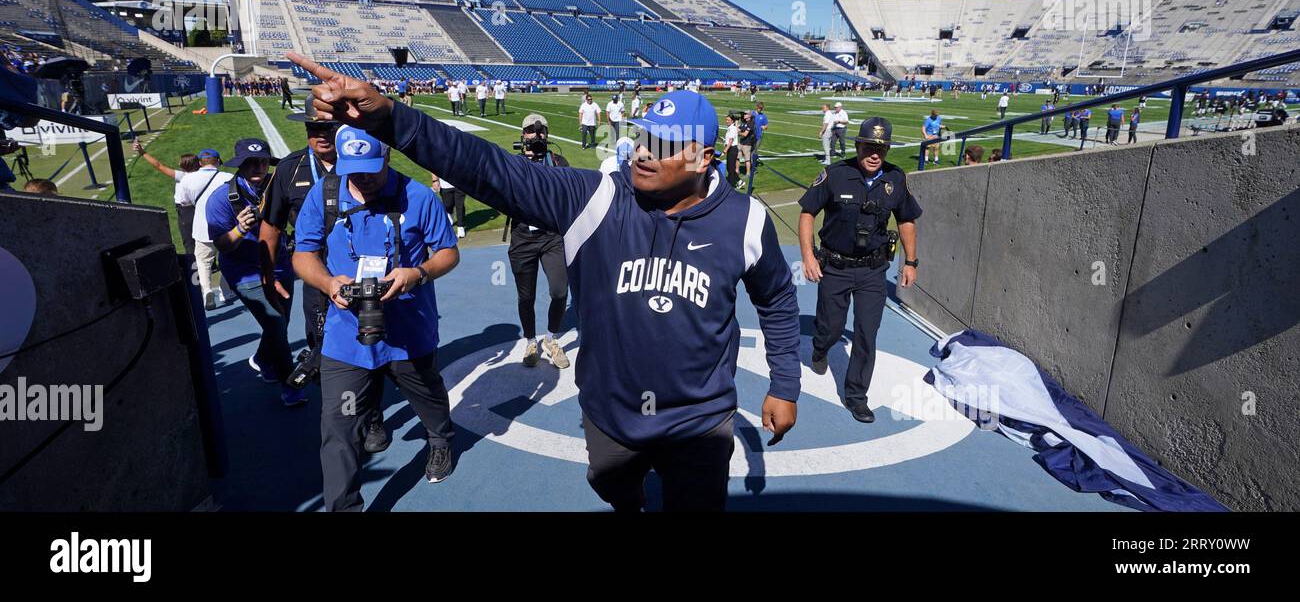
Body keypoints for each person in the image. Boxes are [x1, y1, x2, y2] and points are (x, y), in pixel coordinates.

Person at [288, 53, 800, 513]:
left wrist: (784, 384)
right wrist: (392, 119)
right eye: (642, 137)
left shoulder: (746, 219)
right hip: (611, 410)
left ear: (704, 158)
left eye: (664, 145)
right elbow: (493, 171)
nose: (644, 153)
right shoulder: (595, 197)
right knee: (614, 489)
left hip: (699, 419)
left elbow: (776, 297)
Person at [291, 126, 460, 509]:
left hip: (408, 330)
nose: (363, 178)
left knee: (428, 397)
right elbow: (303, 254)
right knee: (338, 426)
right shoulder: (325, 194)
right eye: (354, 169)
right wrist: (329, 283)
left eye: (371, 168)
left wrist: (417, 273)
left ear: (388, 157)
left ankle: (440, 438)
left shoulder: (418, 196)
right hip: (346, 336)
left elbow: (448, 252)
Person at [798, 117, 920, 423]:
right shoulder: (835, 175)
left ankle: (856, 396)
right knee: (831, 327)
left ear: (888, 149)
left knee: (867, 334)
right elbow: (808, 213)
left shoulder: (896, 179)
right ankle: (820, 347)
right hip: (835, 267)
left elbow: (906, 220)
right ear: (857, 145)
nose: (874, 153)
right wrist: (808, 257)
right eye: (868, 146)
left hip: (873, 271)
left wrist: (910, 261)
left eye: (881, 147)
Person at [206, 138, 304, 406]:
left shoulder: (279, 186)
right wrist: (239, 230)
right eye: (251, 162)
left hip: (280, 265)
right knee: (275, 322)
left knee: (278, 323)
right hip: (244, 270)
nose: (259, 167)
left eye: (263, 161)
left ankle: (262, 360)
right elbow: (222, 246)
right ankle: (290, 385)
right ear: (240, 165)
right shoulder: (220, 199)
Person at [505, 113, 573, 369]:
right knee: (526, 297)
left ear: (547, 134)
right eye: (531, 132)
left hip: (552, 236)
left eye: (541, 131)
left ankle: (551, 339)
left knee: (559, 291)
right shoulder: (514, 163)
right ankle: (531, 340)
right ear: (523, 136)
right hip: (523, 237)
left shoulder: (558, 161)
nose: (536, 136)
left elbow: (569, 195)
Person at [177, 148, 236, 310]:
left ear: (200, 163)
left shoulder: (188, 179)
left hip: (202, 227)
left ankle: (207, 291)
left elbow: (184, 202)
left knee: (203, 262)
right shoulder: (228, 177)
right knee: (228, 258)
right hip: (226, 226)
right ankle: (225, 290)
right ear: (217, 161)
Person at [135, 144, 201, 255]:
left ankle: (194, 265)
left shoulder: (182, 176)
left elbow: (158, 166)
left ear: (185, 166)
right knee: (201, 237)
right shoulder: (201, 175)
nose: (178, 163)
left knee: (188, 240)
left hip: (185, 211)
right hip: (198, 208)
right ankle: (211, 264)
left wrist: (143, 153)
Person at [430, 173, 466, 238]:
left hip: (461, 183)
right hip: (445, 185)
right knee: (448, 204)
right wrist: (435, 181)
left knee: (460, 205)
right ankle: (450, 214)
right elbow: (434, 168)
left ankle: (460, 227)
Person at [737, 110, 756, 190]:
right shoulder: (744, 122)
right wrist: (737, 124)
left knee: (747, 159)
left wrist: (738, 133)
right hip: (741, 142)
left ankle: (748, 173)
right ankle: (737, 170)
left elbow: (745, 134)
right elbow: (738, 128)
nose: (743, 115)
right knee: (737, 157)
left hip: (747, 144)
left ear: (749, 115)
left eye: (745, 114)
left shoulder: (750, 123)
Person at [722, 113, 740, 186]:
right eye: (726, 120)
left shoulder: (732, 128)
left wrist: (725, 150)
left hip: (732, 149)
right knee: (729, 167)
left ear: (732, 121)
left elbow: (731, 141)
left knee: (731, 167)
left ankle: (731, 183)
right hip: (731, 149)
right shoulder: (730, 128)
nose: (727, 121)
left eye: (728, 120)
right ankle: (738, 181)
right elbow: (727, 140)